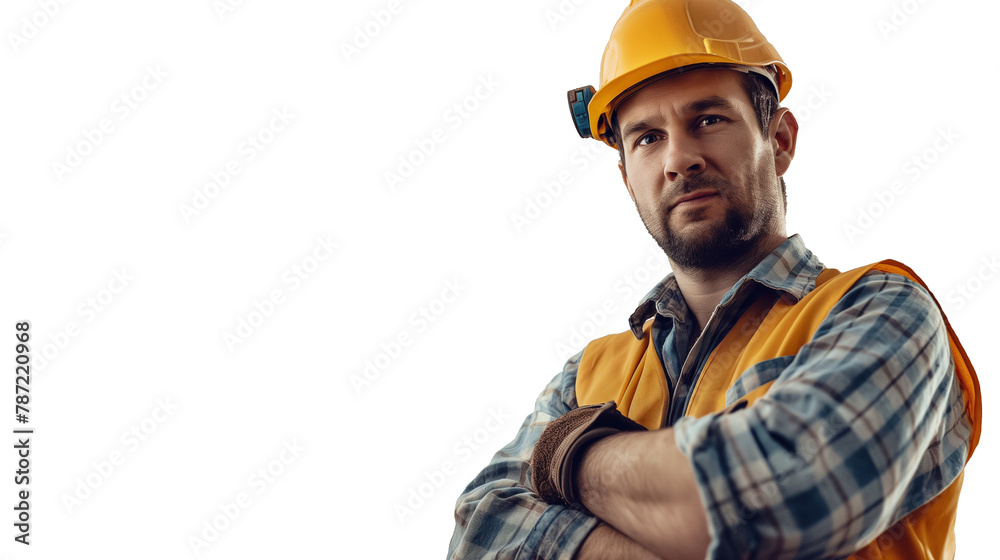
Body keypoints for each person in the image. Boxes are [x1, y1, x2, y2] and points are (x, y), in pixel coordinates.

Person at [447, 0, 981, 558]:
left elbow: (787, 501)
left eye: (707, 119)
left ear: (779, 140)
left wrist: (569, 455)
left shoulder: (881, 310)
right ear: (627, 177)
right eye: (647, 137)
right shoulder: (587, 376)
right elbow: (480, 529)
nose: (678, 158)